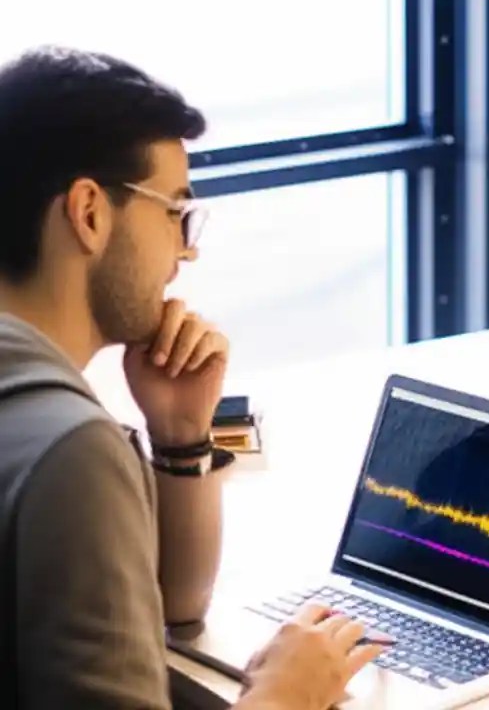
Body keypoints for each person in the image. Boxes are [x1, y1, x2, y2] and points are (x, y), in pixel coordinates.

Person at [0, 47, 379, 708]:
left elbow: (169, 605)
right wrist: (285, 696)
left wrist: (180, 438)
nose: (187, 251)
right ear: (89, 212)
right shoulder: (70, 448)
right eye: (175, 213)